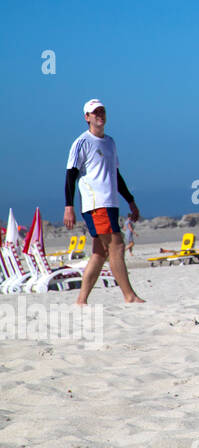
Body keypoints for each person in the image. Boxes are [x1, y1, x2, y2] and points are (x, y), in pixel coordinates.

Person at [63, 99, 145, 304]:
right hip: (95, 204)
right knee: (117, 246)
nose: (99, 115)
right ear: (87, 117)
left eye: (102, 111)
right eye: (95, 112)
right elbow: (70, 175)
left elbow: (115, 175)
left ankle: (81, 300)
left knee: (100, 253)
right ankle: (129, 296)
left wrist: (131, 201)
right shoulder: (82, 142)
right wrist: (69, 206)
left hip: (111, 203)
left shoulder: (110, 142)